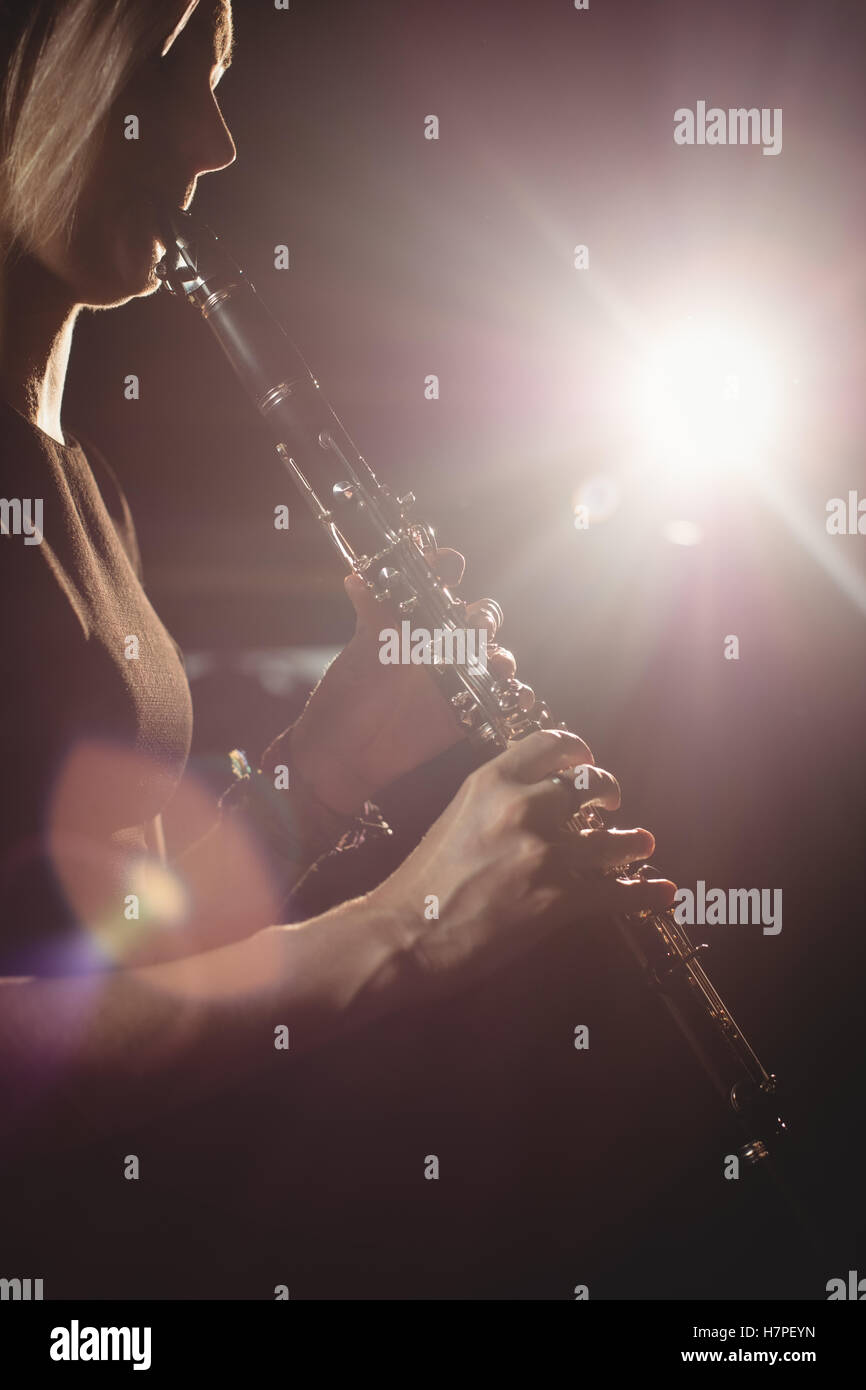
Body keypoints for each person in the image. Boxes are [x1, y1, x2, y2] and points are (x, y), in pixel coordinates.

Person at [0, 0, 675, 1167]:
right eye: (164, 73)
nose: (214, 141)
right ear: (38, 72)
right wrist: (399, 931)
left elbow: (98, 940)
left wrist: (323, 769)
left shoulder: (81, 488)